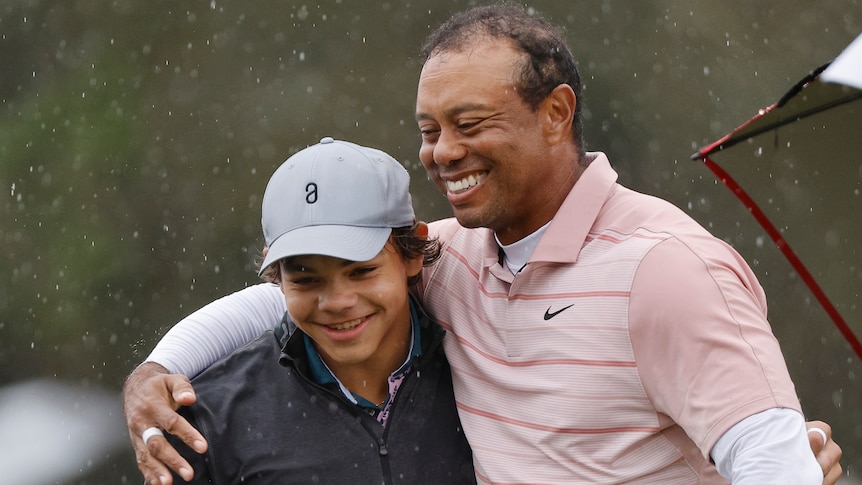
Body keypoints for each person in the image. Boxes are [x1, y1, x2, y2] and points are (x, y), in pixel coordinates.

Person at [124, 4, 844, 484]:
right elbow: (287, 298)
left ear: (556, 113)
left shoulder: (666, 267)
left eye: (469, 123)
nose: (443, 153)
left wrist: (789, 452)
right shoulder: (456, 255)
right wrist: (157, 370)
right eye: (430, 130)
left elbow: (773, 462)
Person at [152, 137, 474, 483]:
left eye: (361, 271)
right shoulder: (208, 421)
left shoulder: (478, 363)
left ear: (413, 254)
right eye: (306, 280)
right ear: (276, 275)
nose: (336, 302)